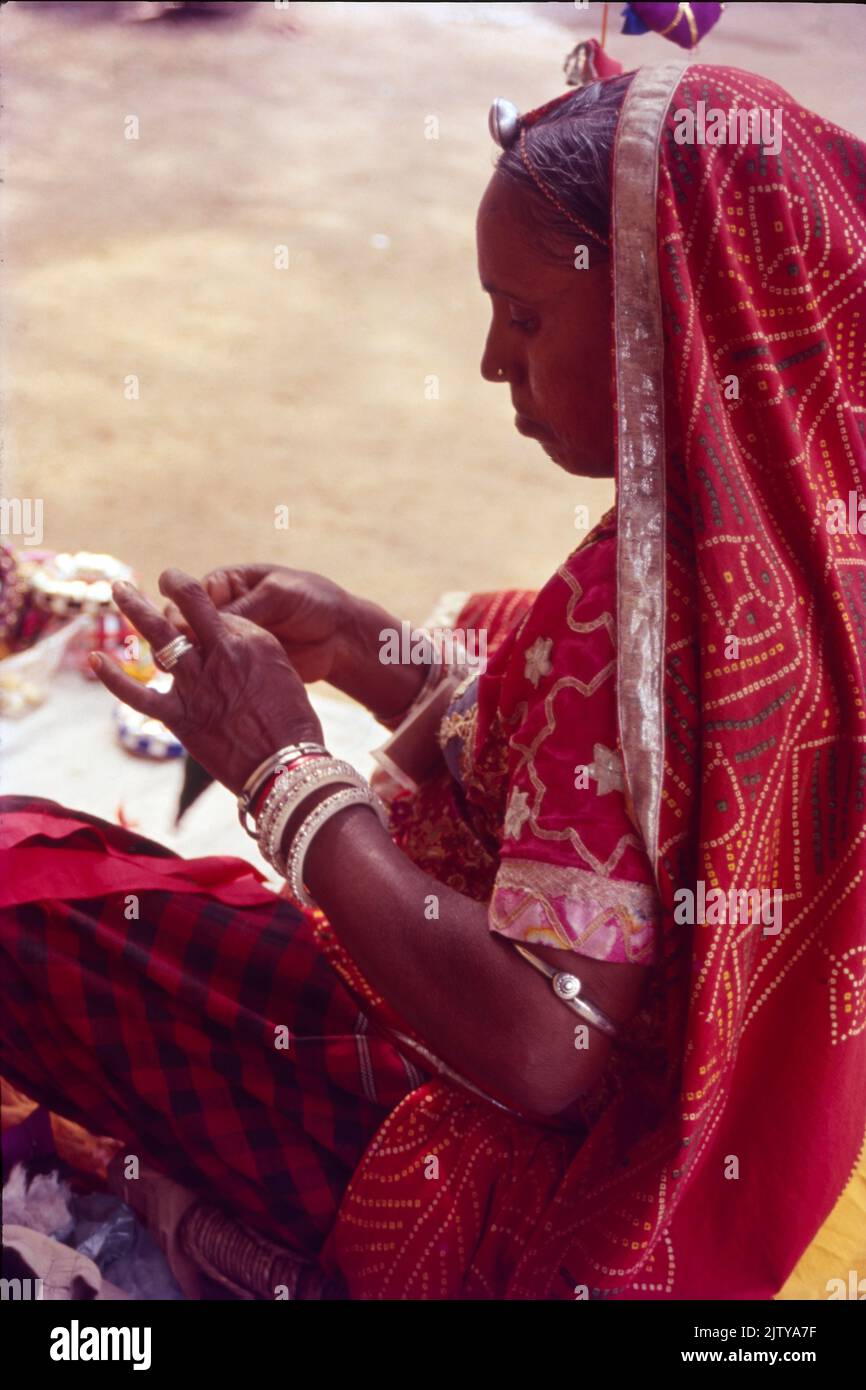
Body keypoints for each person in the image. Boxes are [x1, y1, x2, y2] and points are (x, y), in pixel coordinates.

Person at [2, 60, 865, 1300]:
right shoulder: (796, 535)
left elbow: (539, 1044)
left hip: (534, 1181)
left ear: (667, 318)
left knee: (32, 901)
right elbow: (595, 780)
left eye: (523, 319)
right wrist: (360, 643)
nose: (485, 364)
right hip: (715, 1166)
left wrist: (283, 772)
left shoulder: (645, 606)